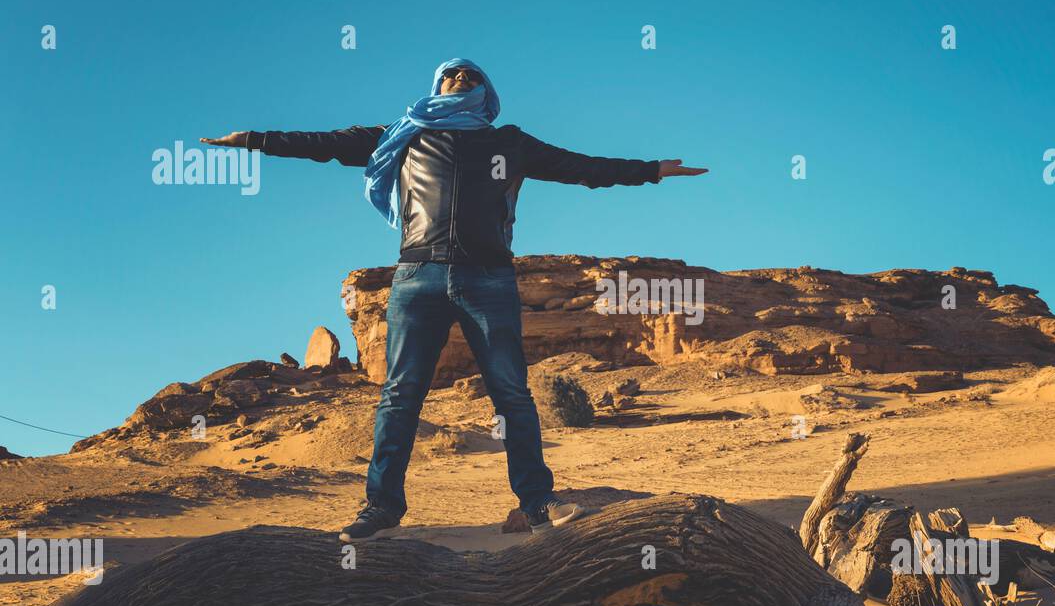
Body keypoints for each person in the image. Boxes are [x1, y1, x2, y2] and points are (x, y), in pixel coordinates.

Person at [202, 58, 707, 541]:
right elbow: (323, 143)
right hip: (417, 277)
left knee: (511, 392)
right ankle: (382, 507)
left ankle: (537, 504)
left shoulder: (509, 143)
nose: (460, 78)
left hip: (488, 279)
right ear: (437, 85)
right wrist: (253, 140)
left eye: (470, 75)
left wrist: (652, 170)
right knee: (400, 396)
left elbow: (581, 167)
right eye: (451, 74)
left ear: (487, 93)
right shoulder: (403, 134)